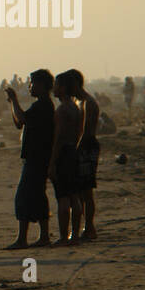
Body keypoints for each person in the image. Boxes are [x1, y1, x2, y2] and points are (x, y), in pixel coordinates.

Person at [4, 69, 54, 249]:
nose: (30, 86)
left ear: (41, 85)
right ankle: (42, 236)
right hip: (36, 157)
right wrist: (12, 103)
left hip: (37, 157)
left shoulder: (43, 106)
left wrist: (15, 101)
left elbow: (22, 119)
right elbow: (19, 122)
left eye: (32, 83)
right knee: (37, 196)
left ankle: (23, 239)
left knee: (24, 196)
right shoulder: (41, 105)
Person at [48, 72, 83, 245]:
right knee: (74, 196)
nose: (53, 88)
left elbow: (58, 138)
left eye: (56, 85)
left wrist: (52, 162)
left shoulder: (62, 110)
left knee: (63, 197)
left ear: (62, 88)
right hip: (72, 151)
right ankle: (74, 234)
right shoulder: (74, 107)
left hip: (63, 153)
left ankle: (63, 236)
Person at [67, 69, 99, 242]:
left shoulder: (88, 103)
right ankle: (83, 228)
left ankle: (89, 227)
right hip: (81, 147)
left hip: (86, 147)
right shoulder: (77, 101)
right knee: (79, 192)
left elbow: (86, 133)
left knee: (86, 191)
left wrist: (76, 151)